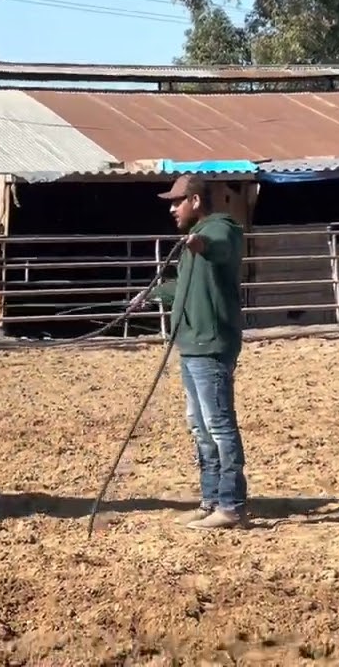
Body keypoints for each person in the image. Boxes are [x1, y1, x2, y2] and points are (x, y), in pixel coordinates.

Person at [131, 174, 248, 530]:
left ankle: (231, 505)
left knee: (218, 426)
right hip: (192, 345)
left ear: (195, 201)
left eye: (176, 200)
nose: (171, 207)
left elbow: (220, 246)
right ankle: (211, 500)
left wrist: (201, 244)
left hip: (210, 344)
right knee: (200, 427)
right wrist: (148, 296)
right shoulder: (193, 243)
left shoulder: (220, 229)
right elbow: (184, 286)